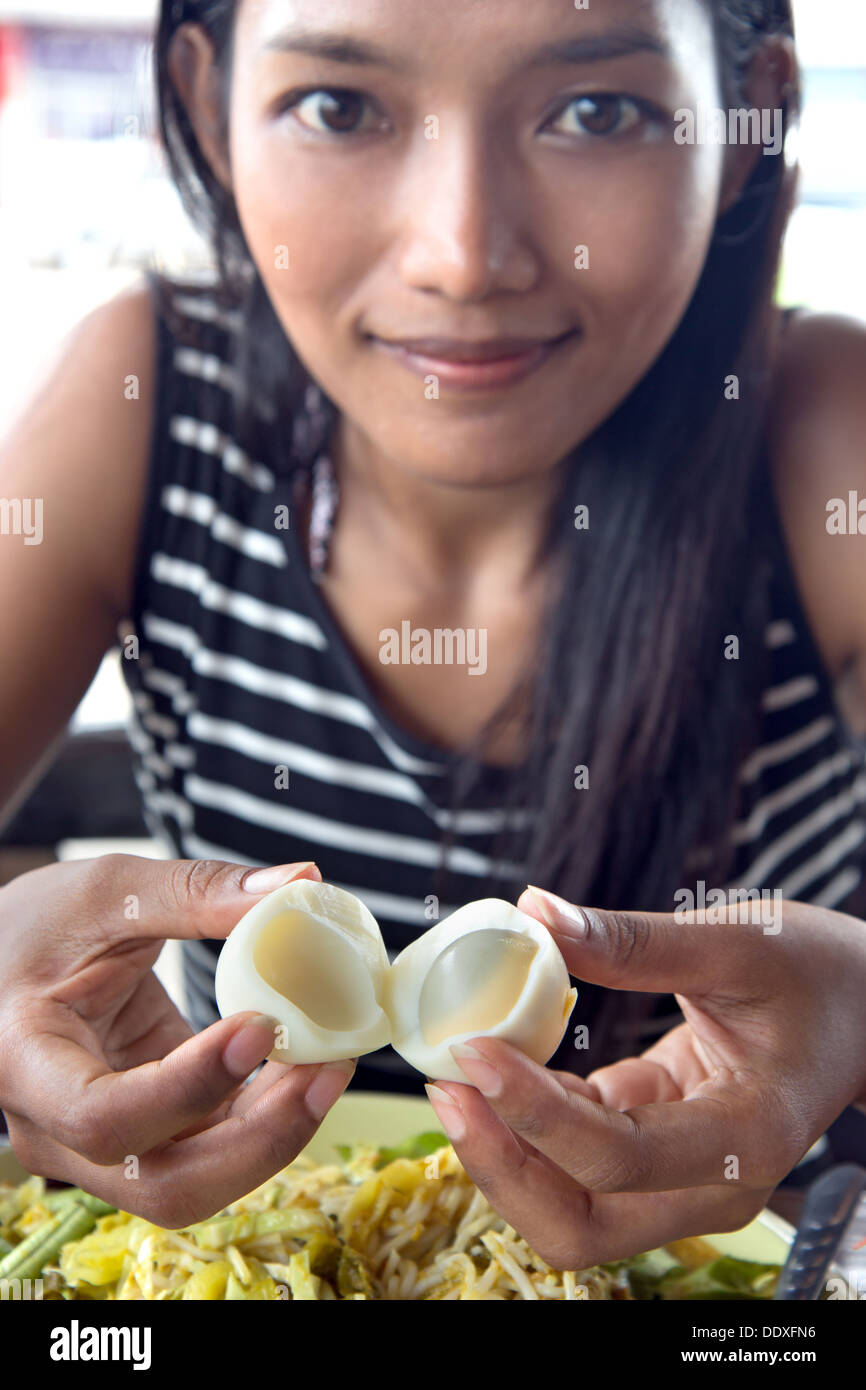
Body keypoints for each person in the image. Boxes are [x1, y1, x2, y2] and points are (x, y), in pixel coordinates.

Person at [0, 0, 864, 1267]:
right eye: (338, 107)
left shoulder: (820, 436)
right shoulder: (143, 404)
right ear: (206, 106)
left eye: (594, 111)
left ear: (744, 128)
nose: (463, 253)